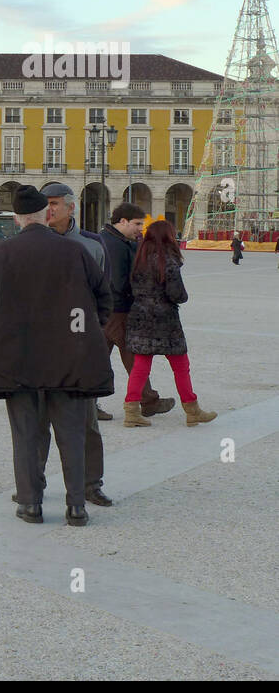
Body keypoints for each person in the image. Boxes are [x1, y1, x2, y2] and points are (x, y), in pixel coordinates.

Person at [0, 185, 112, 527]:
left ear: (17, 218)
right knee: (73, 435)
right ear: (46, 215)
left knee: (26, 435)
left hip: (17, 361)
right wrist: (81, 332)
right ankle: (77, 507)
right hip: (70, 359)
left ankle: (31, 505)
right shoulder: (75, 252)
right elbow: (103, 299)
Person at [38, 181, 113, 504]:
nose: (49, 210)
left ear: (71, 207)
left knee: (87, 422)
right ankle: (32, 483)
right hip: (38, 346)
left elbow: (102, 296)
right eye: (45, 204)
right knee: (36, 423)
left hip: (78, 345)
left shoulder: (92, 245)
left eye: (55, 203)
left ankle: (91, 483)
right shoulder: (28, 244)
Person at [125, 220, 216, 427]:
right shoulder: (168, 260)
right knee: (181, 365)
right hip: (165, 320)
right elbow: (176, 294)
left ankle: (131, 411)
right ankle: (192, 410)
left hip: (140, 316)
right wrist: (183, 296)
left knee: (140, 366)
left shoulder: (139, 258)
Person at [99, 203, 174, 421]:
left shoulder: (121, 240)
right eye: (137, 224)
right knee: (132, 353)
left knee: (98, 356)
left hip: (111, 307)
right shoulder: (112, 244)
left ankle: (86, 402)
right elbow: (118, 281)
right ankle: (148, 401)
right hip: (118, 308)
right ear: (122, 221)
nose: (140, 228)